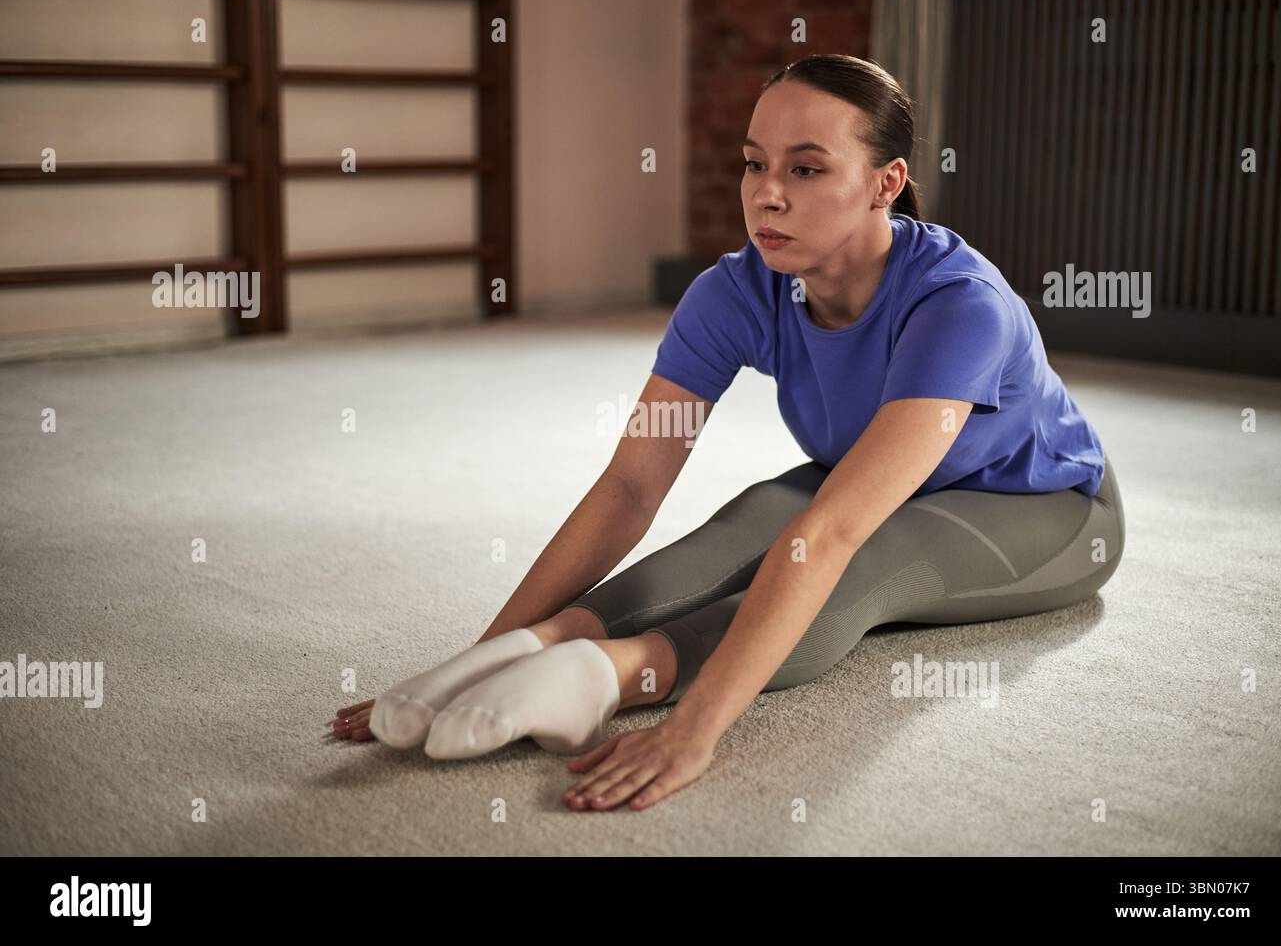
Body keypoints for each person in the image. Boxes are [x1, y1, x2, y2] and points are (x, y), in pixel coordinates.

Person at [328, 54, 1125, 813]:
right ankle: (548, 645)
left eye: (806, 169)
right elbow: (630, 486)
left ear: (886, 185)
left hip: (1042, 506)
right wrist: (476, 658)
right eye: (754, 163)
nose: (767, 195)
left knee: (853, 549)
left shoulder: (959, 305)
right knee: (752, 517)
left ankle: (613, 672)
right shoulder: (736, 290)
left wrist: (691, 730)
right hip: (870, 477)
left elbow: (840, 528)